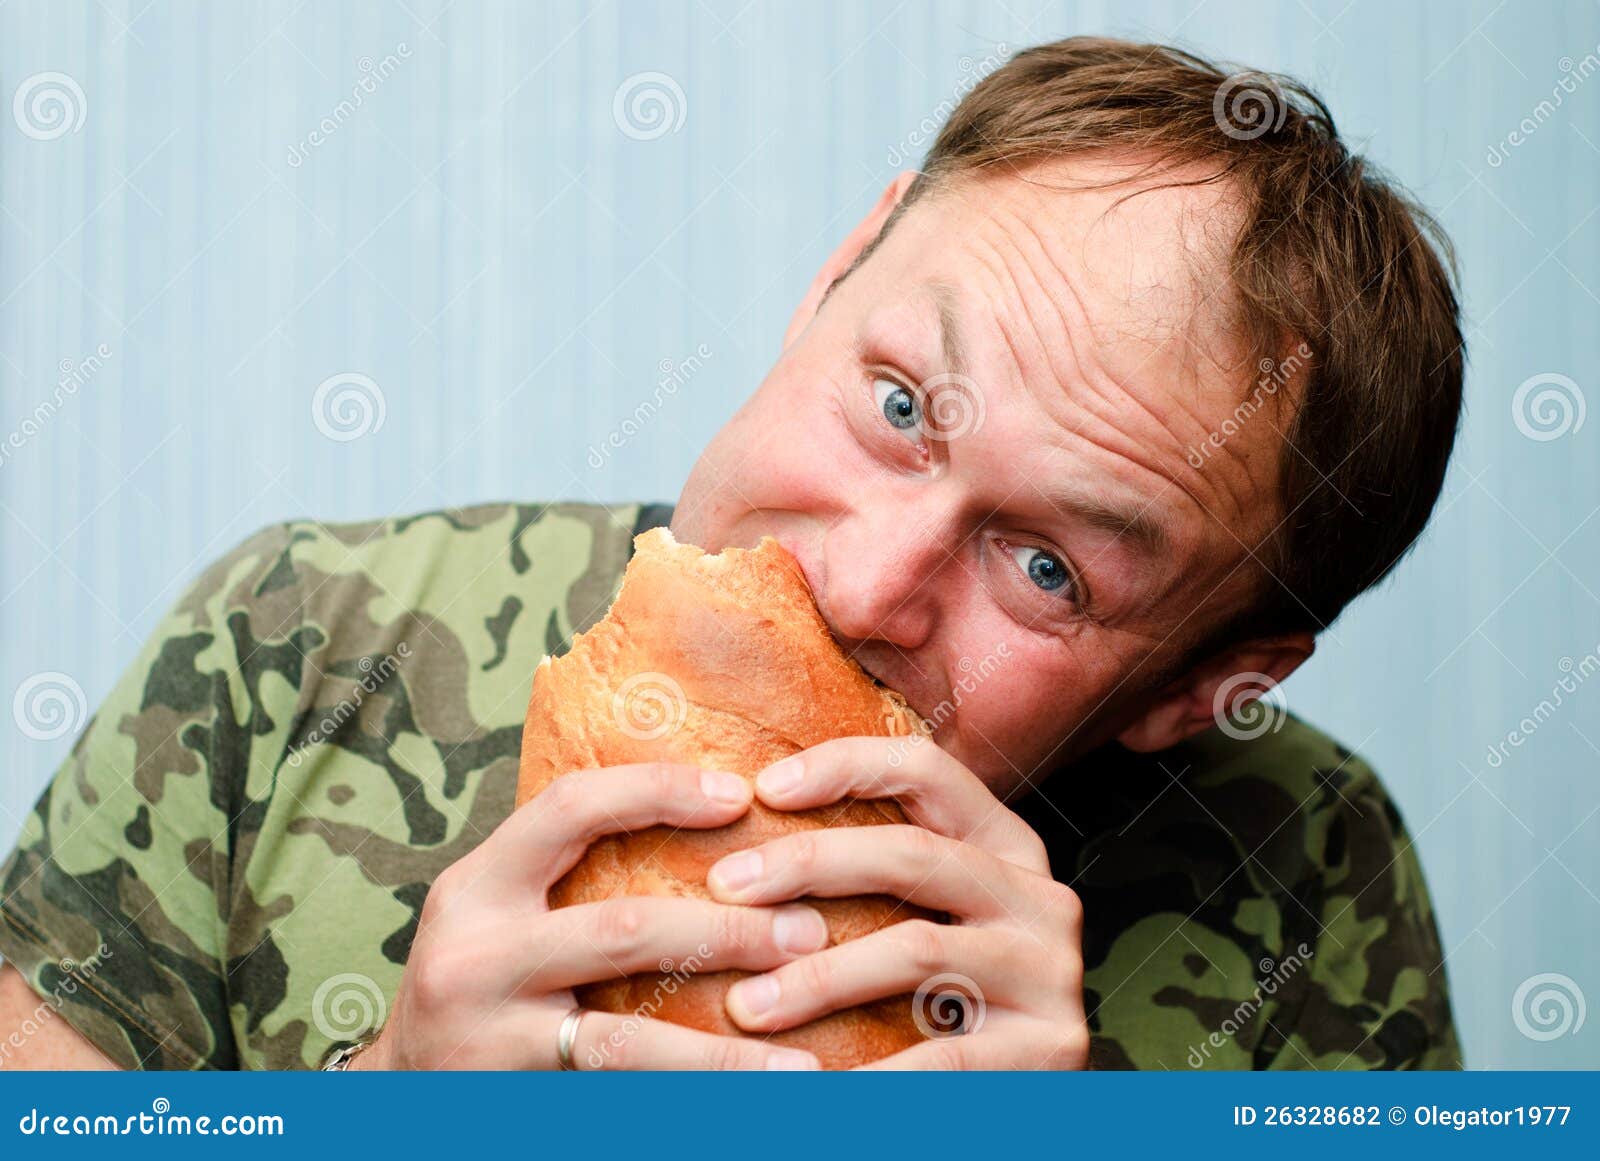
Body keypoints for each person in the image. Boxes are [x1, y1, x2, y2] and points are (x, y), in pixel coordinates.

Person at [0, 37, 1463, 1071]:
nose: (862, 581)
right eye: (900, 406)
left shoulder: (1307, 863)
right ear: (840, 271)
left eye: (1050, 570)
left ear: (1201, 684)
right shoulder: (298, 640)